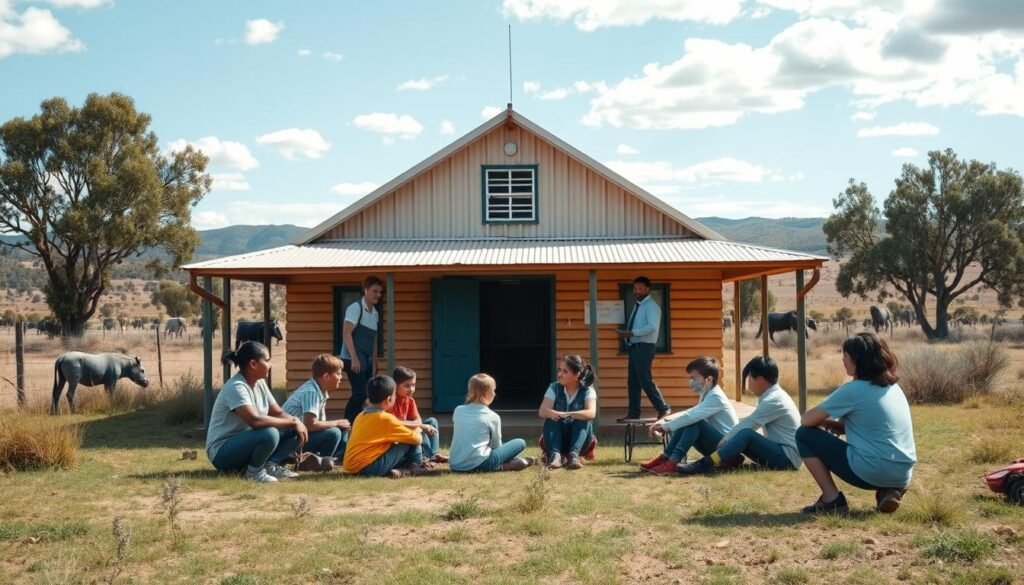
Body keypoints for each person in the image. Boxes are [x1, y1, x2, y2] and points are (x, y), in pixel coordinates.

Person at [796, 332, 916, 514]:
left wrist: (823, 422)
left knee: (804, 434)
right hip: (903, 474)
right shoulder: (894, 387)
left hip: (870, 470)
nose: (842, 359)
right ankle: (889, 490)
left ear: (857, 359)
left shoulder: (854, 389)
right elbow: (873, 428)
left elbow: (806, 420)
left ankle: (832, 499)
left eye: (845, 355)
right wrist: (835, 425)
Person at [677, 356, 801, 475]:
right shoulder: (772, 396)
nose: (748, 384)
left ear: (761, 380)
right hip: (781, 452)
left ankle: (706, 463)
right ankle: (724, 460)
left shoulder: (774, 400)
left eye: (749, 378)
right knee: (744, 433)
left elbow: (749, 423)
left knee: (746, 433)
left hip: (788, 459)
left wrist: (726, 439)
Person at [206, 341, 308, 483]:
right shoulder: (236, 387)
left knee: (293, 429)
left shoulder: (259, 383)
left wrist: (297, 422)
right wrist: (292, 421)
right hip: (222, 453)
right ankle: (254, 473)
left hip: (247, 443)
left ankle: (270, 465)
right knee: (270, 432)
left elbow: (277, 412)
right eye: (267, 361)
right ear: (253, 364)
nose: (271, 365)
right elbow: (255, 421)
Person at [642, 357, 738, 476]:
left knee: (694, 422)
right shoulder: (707, 393)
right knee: (689, 421)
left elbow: (691, 417)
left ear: (708, 379)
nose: (690, 381)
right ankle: (666, 458)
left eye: (693, 378)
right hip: (719, 446)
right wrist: (664, 421)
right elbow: (690, 413)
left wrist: (665, 427)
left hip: (727, 452)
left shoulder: (715, 397)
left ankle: (672, 462)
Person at [342, 375, 437, 478]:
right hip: (369, 468)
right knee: (409, 440)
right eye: (394, 395)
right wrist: (418, 429)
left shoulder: (360, 416)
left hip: (352, 468)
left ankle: (402, 468)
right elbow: (417, 439)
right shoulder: (386, 418)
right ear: (389, 399)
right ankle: (415, 468)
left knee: (402, 440)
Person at [279, 354, 352, 471]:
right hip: (288, 440)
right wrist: (337, 422)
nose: (340, 378)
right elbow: (310, 425)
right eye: (338, 374)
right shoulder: (311, 392)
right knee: (334, 433)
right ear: (326, 376)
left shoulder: (318, 390)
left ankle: (331, 460)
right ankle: (316, 462)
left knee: (342, 430)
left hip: (299, 436)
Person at [451, 374, 536, 473]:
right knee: (520, 442)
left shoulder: (458, 410)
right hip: (482, 463)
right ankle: (504, 466)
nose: (494, 394)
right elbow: (496, 446)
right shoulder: (492, 416)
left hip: (455, 465)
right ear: (485, 394)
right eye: (493, 391)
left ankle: (510, 463)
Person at [616, 276, 671, 422]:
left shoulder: (651, 306)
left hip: (645, 347)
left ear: (648, 289)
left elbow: (652, 327)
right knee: (633, 381)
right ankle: (634, 413)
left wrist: (631, 333)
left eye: (640, 288)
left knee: (645, 379)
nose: (637, 291)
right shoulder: (638, 305)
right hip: (634, 347)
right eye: (635, 288)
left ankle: (663, 408)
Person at [537, 355, 598, 470]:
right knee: (551, 417)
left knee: (583, 419)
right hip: (557, 438)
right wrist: (554, 413)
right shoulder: (553, 387)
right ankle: (555, 456)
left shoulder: (588, 389)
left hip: (580, 441)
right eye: (560, 370)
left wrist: (568, 414)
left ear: (577, 375)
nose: (560, 374)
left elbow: (591, 413)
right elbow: (542, 411)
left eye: (565, 371)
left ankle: (574, 456)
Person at [341, 275, 384, 424]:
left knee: (367, 394)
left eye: (380, 292)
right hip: (353, 358)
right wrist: (354, 357)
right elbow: (346, 333)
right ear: (365, 290)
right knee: (360, 392)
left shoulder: (375, 313)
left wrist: (374, 362)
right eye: (375, 291)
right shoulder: (355, 308)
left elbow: (374, 340)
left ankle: (359, 424)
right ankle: (346, 424)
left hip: (366, 359)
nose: (378, 295)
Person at [392, 366, 448, 464]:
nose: (411, 389)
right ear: (396, 385)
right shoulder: (391, 401)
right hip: (399, 438)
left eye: (413, 385)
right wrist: (421, 426)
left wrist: (420, 425)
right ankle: (428, 457)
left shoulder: (410, 400)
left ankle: (432, 455)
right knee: (419, 428)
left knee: (432, 421)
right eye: (407, 386)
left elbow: (417, 421)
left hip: (410, 431)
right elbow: (394, 423)